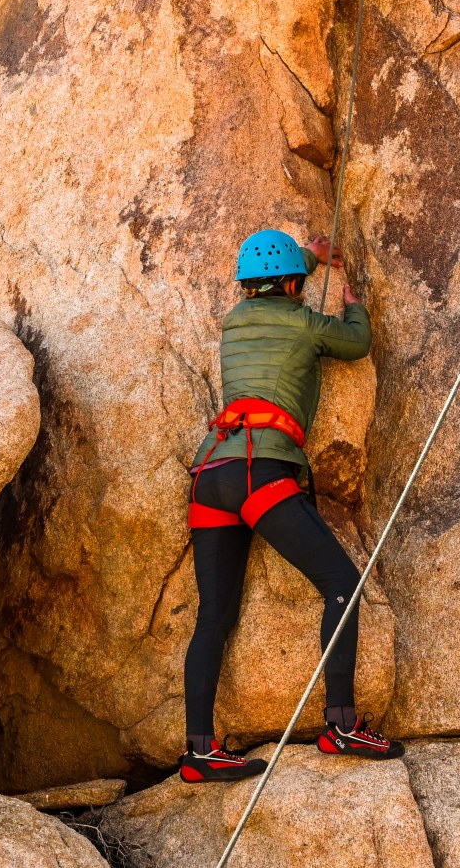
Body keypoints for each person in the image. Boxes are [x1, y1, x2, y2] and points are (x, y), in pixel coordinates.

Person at [177, 229, 404, 783]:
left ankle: (199, 752)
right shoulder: (304, 322)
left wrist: (309, 256)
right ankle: (342, 724)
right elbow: (355, 343)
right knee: (341, 585)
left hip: (212, 475)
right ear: (292, 284)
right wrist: (356, 306)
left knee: (214, 618)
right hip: (262, 472)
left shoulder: (234, 319)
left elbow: (280, 273)